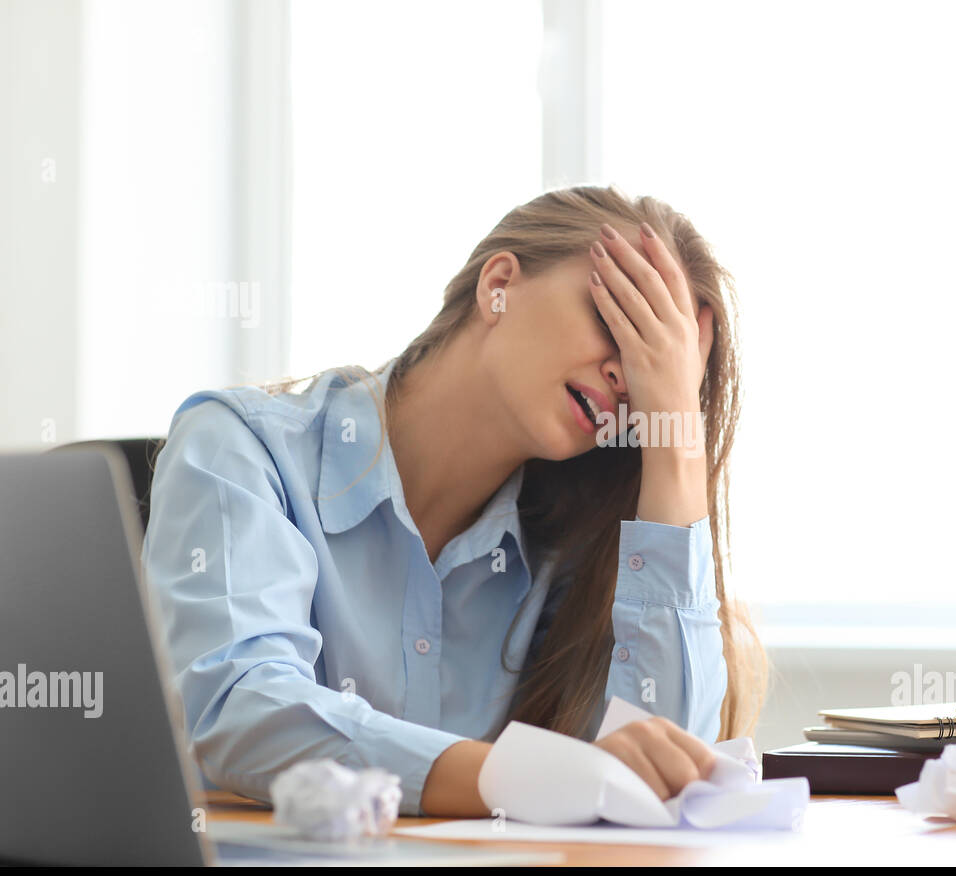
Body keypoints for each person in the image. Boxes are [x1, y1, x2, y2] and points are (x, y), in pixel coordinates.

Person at [141, 184, 768, 818]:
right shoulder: (241, 450)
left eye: (652, 368)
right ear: (500, 284)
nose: (625, 375)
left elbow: (662, 784)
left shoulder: (570, 553)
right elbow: (237, 705)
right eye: (615, 319)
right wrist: (523, 775)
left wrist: (677, 445)